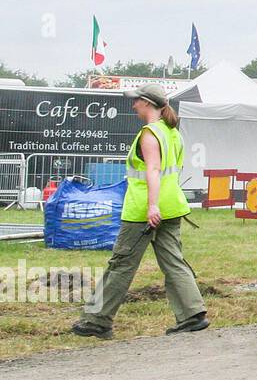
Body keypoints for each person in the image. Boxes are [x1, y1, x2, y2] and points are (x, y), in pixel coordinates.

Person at [70, 86, 208, 338]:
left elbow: (153, 170)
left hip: (144, 210)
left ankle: (96, 321)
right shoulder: (171, 132)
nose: (133, 106)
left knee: (121, 263)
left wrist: (152, 206)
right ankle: (192, 314)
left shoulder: (149, 134)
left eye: (136, 102)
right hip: (172, 206)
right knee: (173, 261)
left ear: (146, 103)